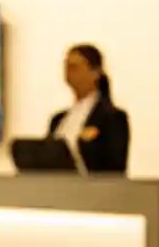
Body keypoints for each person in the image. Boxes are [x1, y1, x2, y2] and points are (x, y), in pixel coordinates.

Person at [47, 44, 130, 174]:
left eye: (74, 67)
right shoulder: (58, 120)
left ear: (95, 72)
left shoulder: (112, 118)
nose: (68, 72)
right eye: (66, 66)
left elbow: (114, 168)